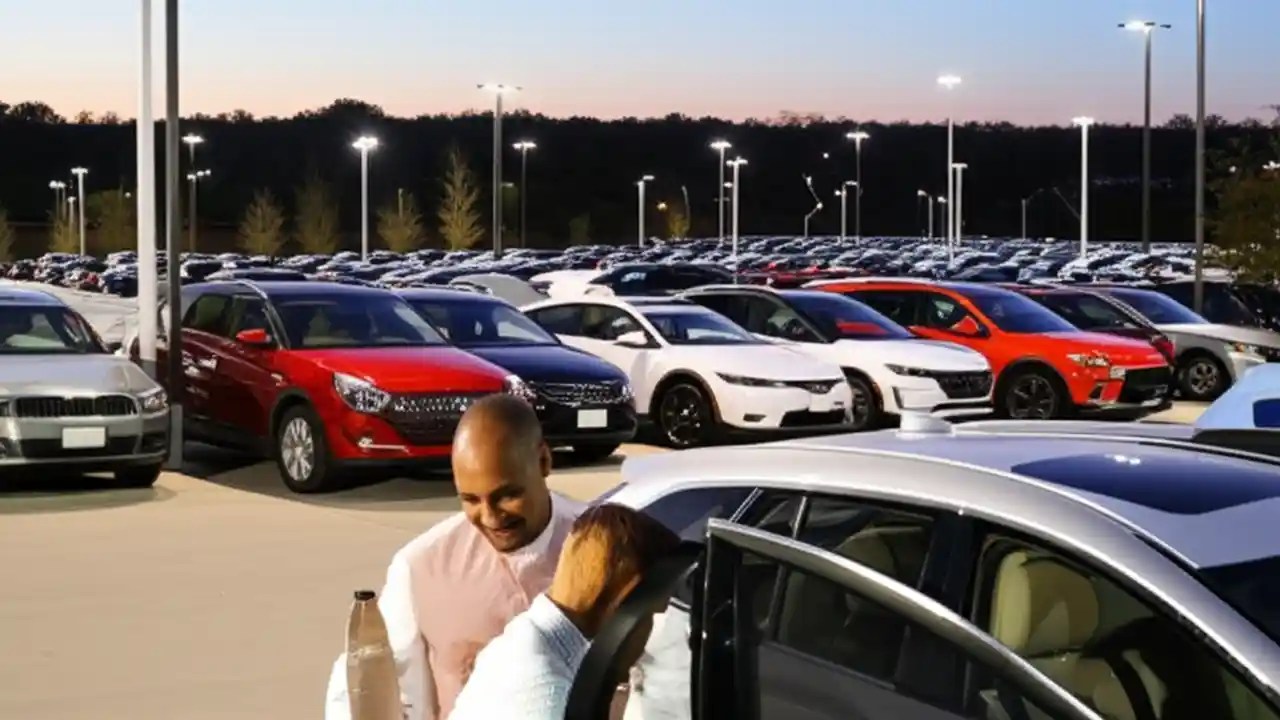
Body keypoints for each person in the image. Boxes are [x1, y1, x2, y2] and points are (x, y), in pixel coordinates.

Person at [324, 394, 584, 720]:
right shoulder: (421, 568)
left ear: (544, 462)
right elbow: (374, 690)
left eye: (508, 495)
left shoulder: (604, 544)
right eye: (471, 499)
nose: (490, 517)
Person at [449, 504, 682, 720]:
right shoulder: (547, 691)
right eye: (652, 614)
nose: (649, 637)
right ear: (629, 598)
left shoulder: (520, 643)